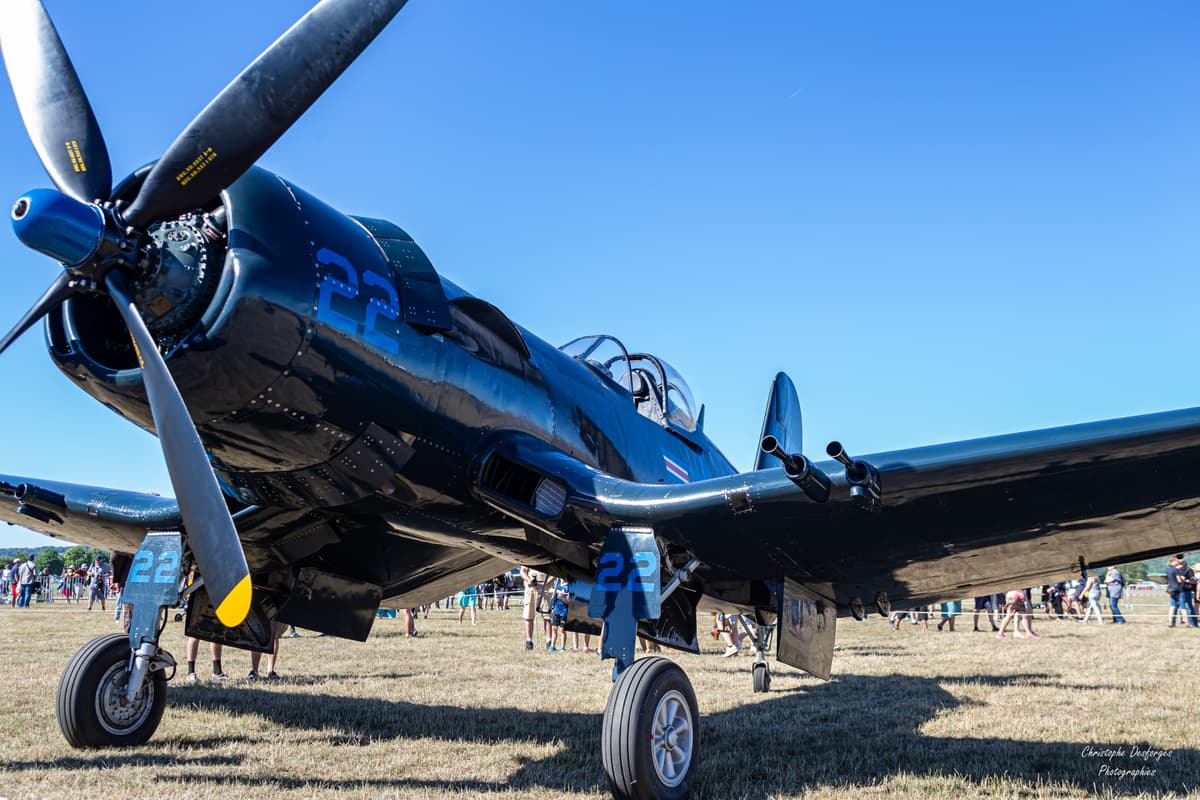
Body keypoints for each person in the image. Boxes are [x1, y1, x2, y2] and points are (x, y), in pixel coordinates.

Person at [519, 566, 543, 650]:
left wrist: (544, 584)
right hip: (530, 589)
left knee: (548, 617)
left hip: (545, 588)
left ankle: (549, 642)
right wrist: (529, 580)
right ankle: (529, 641)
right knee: (529, 616)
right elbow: (522, 571)